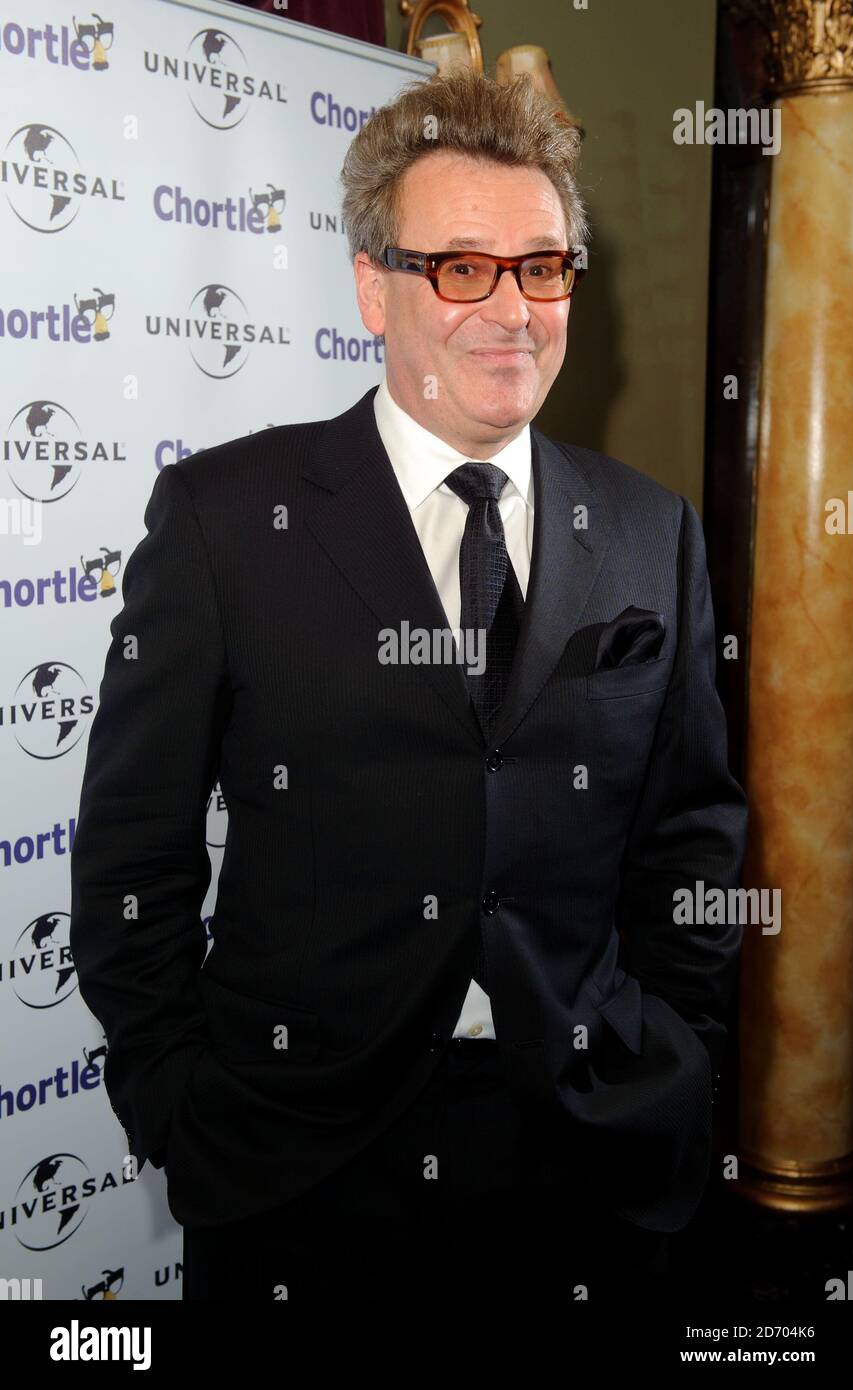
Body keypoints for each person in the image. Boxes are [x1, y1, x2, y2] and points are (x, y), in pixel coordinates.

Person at [69, 70, 748, 1311]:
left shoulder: (655, 532)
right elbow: (132, 846)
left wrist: (682, 1064)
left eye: (541, 267)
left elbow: (691, 837)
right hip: (299, 1166)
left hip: (586, 1159)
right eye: (460, 268)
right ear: (374, 289)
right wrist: (176, 1098)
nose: (511, 311)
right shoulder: (229, 521)